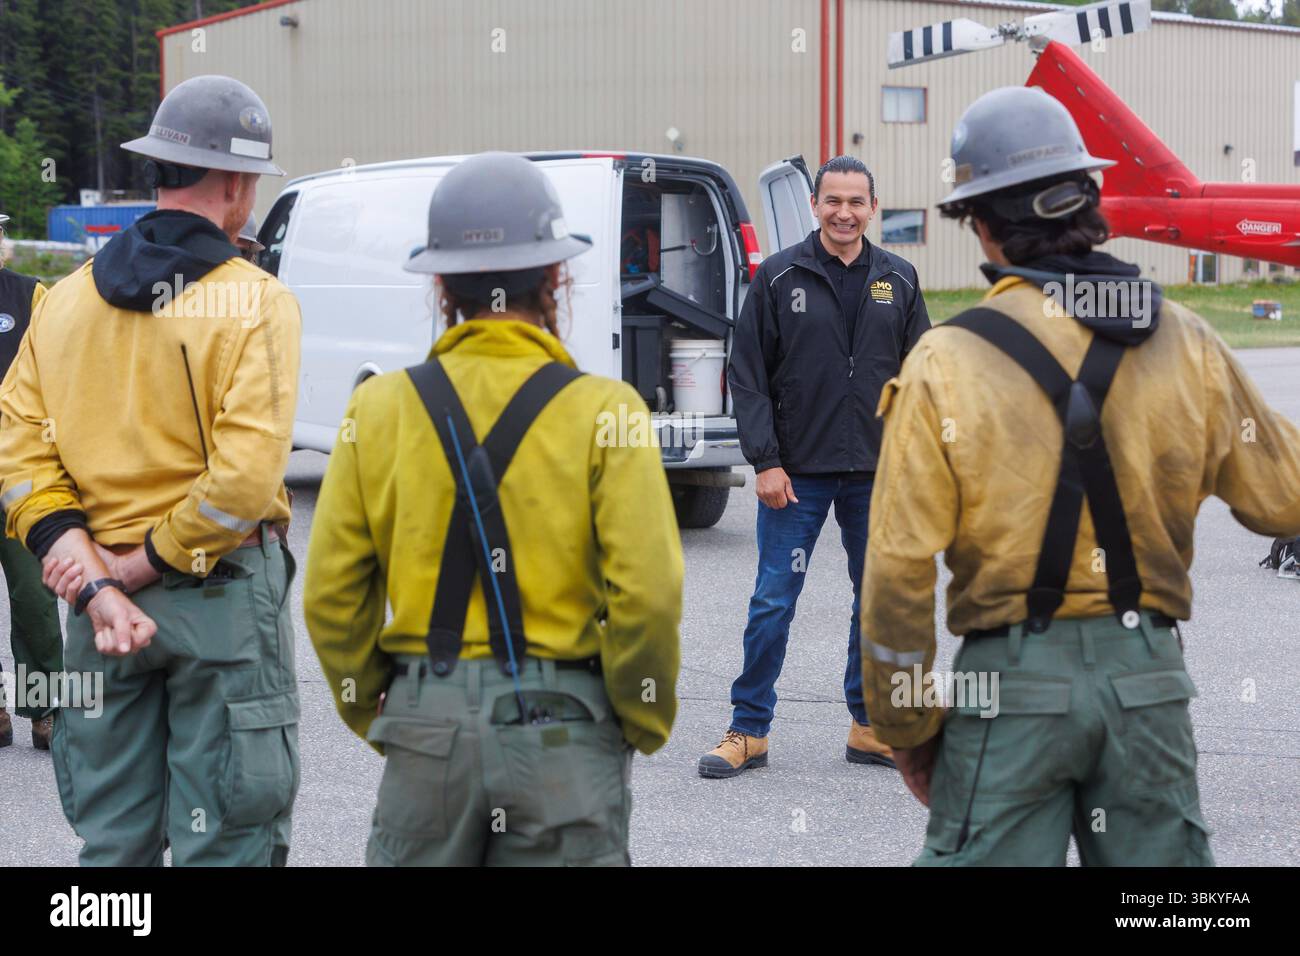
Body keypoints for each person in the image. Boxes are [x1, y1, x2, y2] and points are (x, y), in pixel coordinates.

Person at [861, 86, 1300, 865]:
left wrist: (906, 727)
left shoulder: (945, 361)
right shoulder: (1187, 341)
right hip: (1148, 685)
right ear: (1091, 204)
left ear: (985, 227)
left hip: (1006, 688)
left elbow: (897, 571)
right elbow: (1284, 499)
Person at [304, 151, 682, 866]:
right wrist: (638, 715)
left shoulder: (376, 408)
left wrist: (378, 707)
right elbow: (649, 594)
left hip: (425, 730)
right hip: (564, 732)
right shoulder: (609, 411)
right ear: (556, 277)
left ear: (441, 283)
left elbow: (330, 594)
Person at [3, 75, 303, 866]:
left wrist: (97, 583)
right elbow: (242, 482)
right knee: (230, 837)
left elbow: (19, 454)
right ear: (238, 185)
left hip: (97, 613)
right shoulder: (256, 302)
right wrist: (143, 568)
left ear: (159, 171)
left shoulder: (61, 303)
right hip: (221, 597)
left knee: (110, 842)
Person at [699, 155, 930, 778]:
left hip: (876, 473)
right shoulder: (779, 277)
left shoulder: (899, 278)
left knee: (875, 601)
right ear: (816, 205)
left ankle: (867, 726)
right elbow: (746, 376)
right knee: (774, 599)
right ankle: (749, 730)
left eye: (856, 202)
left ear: (873, 208)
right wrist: (766, 462)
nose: (844, 213)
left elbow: (921, 379)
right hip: (795, 476)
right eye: (833, 201)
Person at [0, 212, 63, 750]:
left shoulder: (30, 295)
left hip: (18, 475)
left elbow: (59, 373)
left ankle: (45, 709)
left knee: (36, 596)